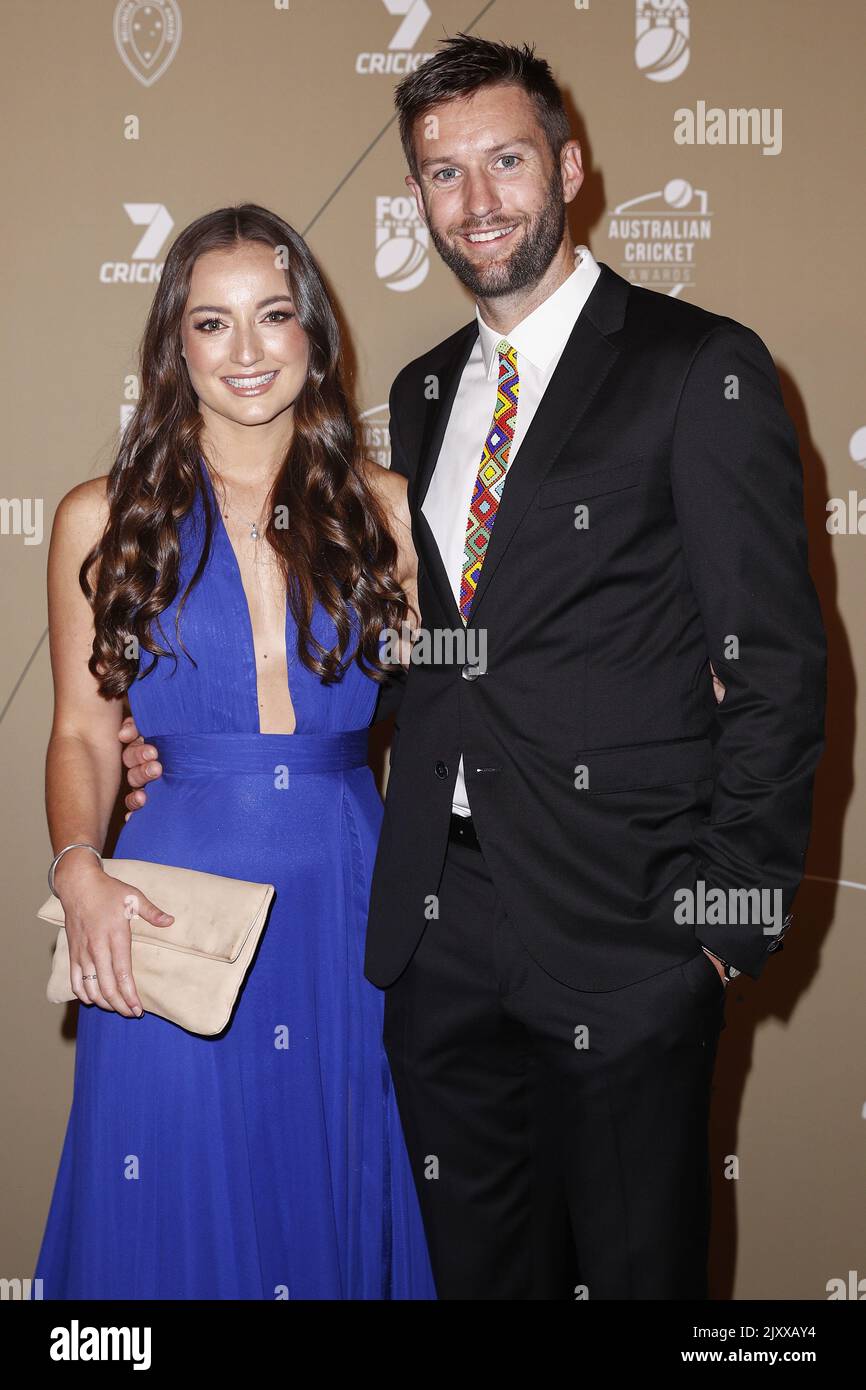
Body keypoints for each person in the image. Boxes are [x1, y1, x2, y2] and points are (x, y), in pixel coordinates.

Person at [121, 36, 827, 1300]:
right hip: (435, 934)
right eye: (442, 174)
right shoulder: (429, 391)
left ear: (567, 164)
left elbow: (775, 664)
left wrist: (717, 941)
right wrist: (230, 726)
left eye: (504, 160)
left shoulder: (692, 366)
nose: (478, 199)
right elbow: (447, 651)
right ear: (418, 203)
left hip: (627, 932)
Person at [33, 204, 435, 1300]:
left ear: (314, 331)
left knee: (334, 1183)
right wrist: (78, 868)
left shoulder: (393, 515)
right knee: (170, 1205)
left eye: (273, 316)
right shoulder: (100, 517)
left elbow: (466, 717)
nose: (247, 352)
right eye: (212, 324)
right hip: (163, 913)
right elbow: (78, 729)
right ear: (176, 346)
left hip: (350, 900)